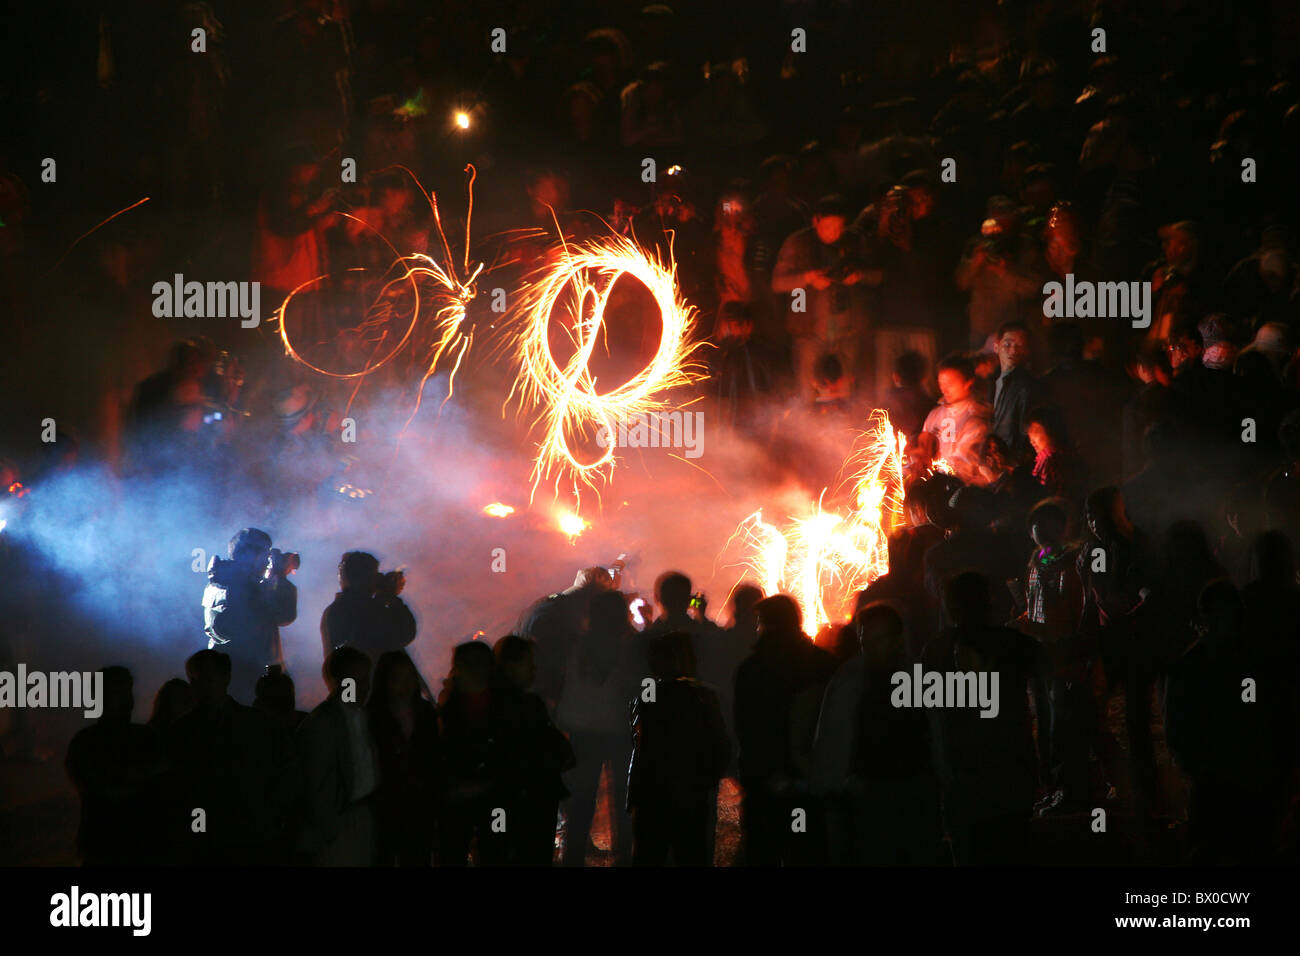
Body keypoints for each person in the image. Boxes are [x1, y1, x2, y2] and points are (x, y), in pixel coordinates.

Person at [924, 573, 1038, 864]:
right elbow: (1057, 659)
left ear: (950, 606)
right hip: (1011, 778)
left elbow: (929, 715)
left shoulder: (936, 651)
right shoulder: (1010, 643)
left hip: (963, 781)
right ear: (988, 603)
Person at [733, 594, 835, 865]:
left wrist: (761, 773)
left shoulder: (752, 669)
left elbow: (745, 727)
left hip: (765, 784)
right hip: (808, 782)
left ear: (765, 624)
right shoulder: (823, 664)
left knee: (764, 851)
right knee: (805, 848)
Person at [627, 631, 730, 865]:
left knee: (649, 855)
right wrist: (708, 779)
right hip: (690, 794)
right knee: (690, 855)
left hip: (653, 796)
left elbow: (639, 742)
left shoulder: (648, 695)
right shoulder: (703, 696)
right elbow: (720, 744)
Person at [772, 194, 879, 404]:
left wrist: (859, 275)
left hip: (848, 331)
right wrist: (808, 279)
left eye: (840, 228)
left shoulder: (854, 241)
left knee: (845, 392)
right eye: (829, 227)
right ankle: (809, 430)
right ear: (815, 221)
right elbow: (778, 283)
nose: (835, 234)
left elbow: (878, 276)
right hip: (809, 332)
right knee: (808, 390)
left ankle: (842, 432)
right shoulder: (798, 243)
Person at [66, 666, 166, 865]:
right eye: (117, 691)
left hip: (113, 843)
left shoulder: (86, 741)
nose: (126, 698)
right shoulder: (89, 741)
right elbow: (104, 788)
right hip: (115, 844)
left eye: (126, 690)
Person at [493, 634, 575, 866]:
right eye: (528, 662)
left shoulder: (496, 703)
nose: (533, 668)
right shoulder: (526, 706)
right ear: (510, 665)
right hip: (532, 798)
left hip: (514, 799)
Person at [297, 646, 378, 866]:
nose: (363, 687)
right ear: (337, 680)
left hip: (359, 815)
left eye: (365, 679)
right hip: (340, 821)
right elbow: (314, 783)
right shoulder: (321, 723)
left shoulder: (364, 716)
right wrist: (330, 826)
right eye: (355, 679)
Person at [201, 528, 298, 703]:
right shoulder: (243, 586)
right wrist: (279, 576)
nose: (268, 561)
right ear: (249, 555)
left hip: (227, 673)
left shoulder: (222, 579)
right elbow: (284, 614)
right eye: (265, 554)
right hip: (251, 678)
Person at [368, 651, 440, 866]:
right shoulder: (374, 715)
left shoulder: (425, 711)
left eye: (409, 677)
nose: (405, 685)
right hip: (386, 801)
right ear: (385, 681)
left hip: (420, 800)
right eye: (397, 678)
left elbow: (433, 755)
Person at [320, 551, 417, 661]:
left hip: (353, 676)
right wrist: (391, 596)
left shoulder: (343, 606)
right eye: (374, 574)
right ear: (363, 578)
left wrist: (383, 597)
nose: (379, 578)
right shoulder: (355, 608)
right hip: (365, 675)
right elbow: (404, 633)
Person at [921, 353, 992, 486]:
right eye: (941, 383)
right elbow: (923, 447)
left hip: (962, 488)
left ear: (968, 382)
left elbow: (964, 463)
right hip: (936, 483)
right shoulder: (935, 415)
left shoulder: (977, 418)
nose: (944, 389)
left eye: (950, 383)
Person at [988, 321, 1037, 462]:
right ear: (996, 346)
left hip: (1010, 460)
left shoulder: (1026, 385)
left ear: (1027, 350)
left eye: (1019, 346)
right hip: (992, 456)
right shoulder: (991, 380)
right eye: (1007, 344)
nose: (1013, 351)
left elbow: (1024, 430)